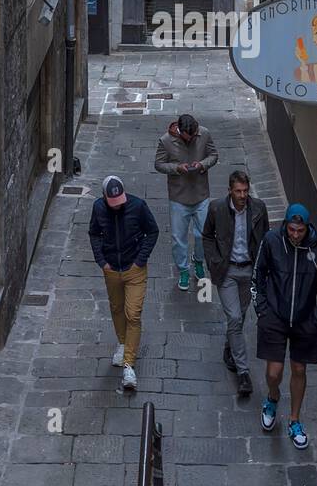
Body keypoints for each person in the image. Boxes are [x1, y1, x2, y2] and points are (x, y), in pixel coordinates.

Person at [252, 203, 317, 449]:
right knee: (273, 373)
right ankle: (273, 396)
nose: (295, 235)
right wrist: (262, 311)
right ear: (285, 226)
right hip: (274, 317)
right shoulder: (271, 241)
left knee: (299, 370)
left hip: (305, 320)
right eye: (292, 230)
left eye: (300, 231)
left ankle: (294, 420)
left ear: (307, 227)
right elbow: (259, 274)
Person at [202, 170, 269, 398]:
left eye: (245, 191)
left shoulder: (258, 208)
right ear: (230, 190)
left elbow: (266, 238)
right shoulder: (217, 208)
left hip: (249, 271)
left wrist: (264, 268)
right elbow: (207, 236)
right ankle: (243, 373)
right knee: (234, 318)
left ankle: (229, 346)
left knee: (238, 317)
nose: (242, 195)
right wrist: (213, 262)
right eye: (238, 191)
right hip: (227, 271)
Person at [88, 175, 159, 391]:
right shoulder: (98, 208)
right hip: (112, 269)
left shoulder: (138, 206)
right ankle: (122, 342)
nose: (118, 207)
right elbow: (94, 233)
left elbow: (152, 231)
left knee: (133, 313)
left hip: (134, 269)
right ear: (104, 197)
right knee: (117, 308)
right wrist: (102, 261)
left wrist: (140, 260)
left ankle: (129, 364)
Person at [154, 113, 218, 291]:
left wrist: (202, 164)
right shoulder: (165, 141)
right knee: (178, 238)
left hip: (200, 193)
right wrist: (176, 168)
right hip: (178, 196)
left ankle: (198, 260)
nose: (190, 140)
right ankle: (183, 269)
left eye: (193, 136)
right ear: (180, 132)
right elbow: (158, 164)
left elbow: (213, 155)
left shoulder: (204, 134)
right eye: (186, 137)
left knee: (202, 235)